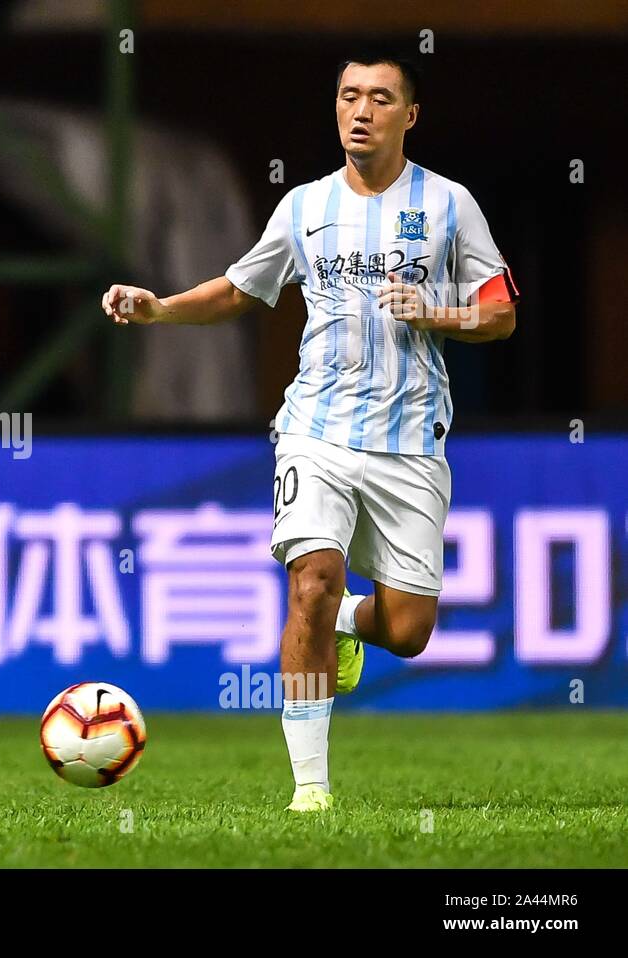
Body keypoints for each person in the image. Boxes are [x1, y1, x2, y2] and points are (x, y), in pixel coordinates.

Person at [101, 56, 518, 812]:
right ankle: (311, 792)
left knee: (411, 629)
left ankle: (356, 623)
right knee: (312, 585)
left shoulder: (450, 205)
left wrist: (440, 314)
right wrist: (158, 307)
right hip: (315, 429)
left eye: (381, 98)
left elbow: (501, 311)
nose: (361, 110)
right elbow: (238, 289)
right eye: (348, 96)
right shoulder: (305, 207)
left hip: (411, 439)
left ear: (409, 116)